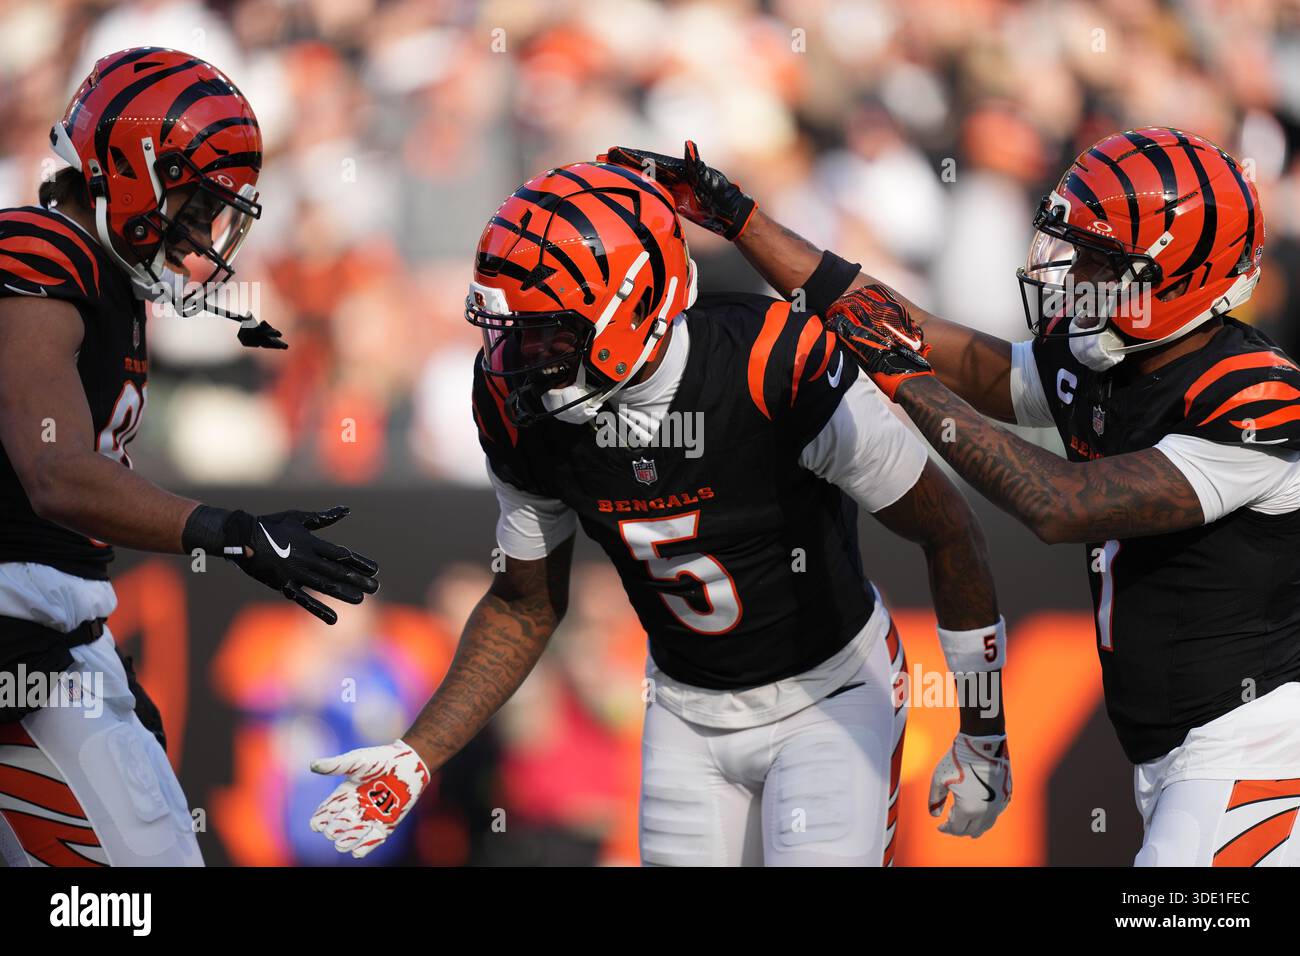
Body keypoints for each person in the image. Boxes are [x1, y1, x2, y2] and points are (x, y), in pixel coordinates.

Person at [310, 155, 1010, 866]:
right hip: (686, 709)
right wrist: (416, 755)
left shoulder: (772, 361)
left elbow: (948, 531)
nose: (521, 357)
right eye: (512, 330)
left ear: (631, 306)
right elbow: (524, 604)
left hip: (830, 694)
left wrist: (983, 728)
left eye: (547, 332)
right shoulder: (521, 407)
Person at [703, 127, 1300, 867]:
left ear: (1181, 279)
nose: (1075, 273)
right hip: (1182, 753)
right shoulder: (1111, 357)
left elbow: (1060, 504)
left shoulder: (1256, 396)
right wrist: (745, 222)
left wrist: (903, 381)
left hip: (1257, 745)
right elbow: (927, 342)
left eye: (1101, 260)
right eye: (1075, 247)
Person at [0, 47, 379, 867]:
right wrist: (227, 529)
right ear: (138, 172)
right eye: (199, 203)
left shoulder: (106, 278)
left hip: (46, 646)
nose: (205, 232)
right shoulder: (39, 249)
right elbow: (55, 471)